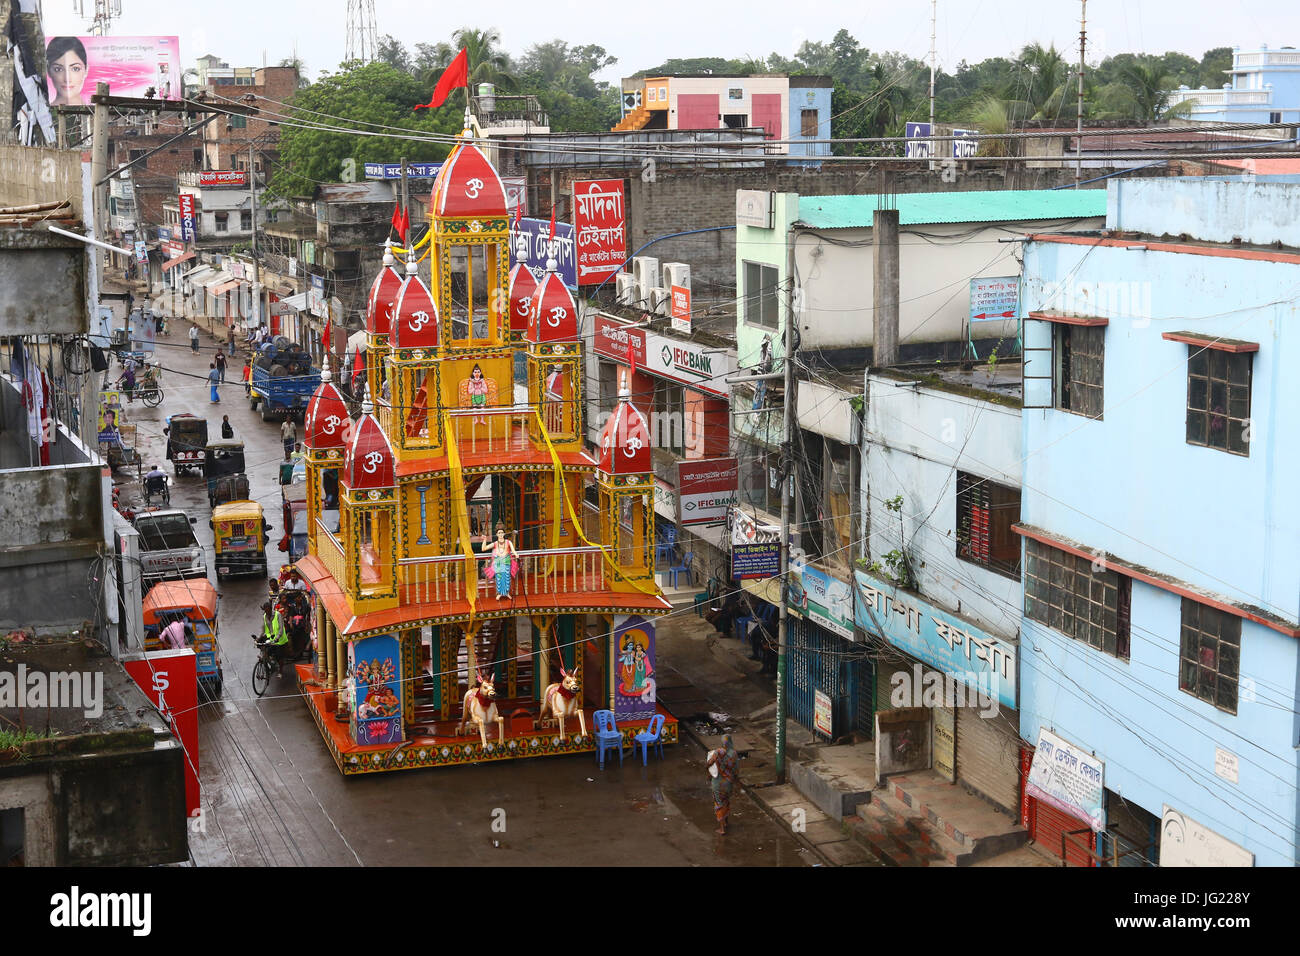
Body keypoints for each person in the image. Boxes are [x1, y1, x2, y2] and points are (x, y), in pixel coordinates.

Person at [706, 734, 740, 835]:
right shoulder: (734, 754)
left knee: (719, 804)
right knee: (726, 801)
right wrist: (736, 781)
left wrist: (707, 768)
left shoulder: (718, 752)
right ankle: (726, 822)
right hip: (729, 783)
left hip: (718, 783)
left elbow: (709, 763)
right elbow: (736, 770)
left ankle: (722, 829)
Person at [46, 37, 89, 107]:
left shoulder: (97, 113)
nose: (67, 79)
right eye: (58, 69)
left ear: (86, 70)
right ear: (48, 71)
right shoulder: (42, 115)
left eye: (75, 69)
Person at [481, 523, 517, 600]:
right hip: (498, 564)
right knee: (499, 578)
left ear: (504, 533)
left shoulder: (508, 542)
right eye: (499, 533)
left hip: (507, 562)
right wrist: (484, 540)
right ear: (497, 534)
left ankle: (507, 593)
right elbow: (483, 549)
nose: (500, 534)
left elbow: (513, 550)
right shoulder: (495, 543)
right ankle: (500, 593)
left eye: (502, 532)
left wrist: (516, 554)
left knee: (507, 578)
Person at [258, 601, 290, 676]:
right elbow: (263, 629)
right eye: (265, 611)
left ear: (271, 609)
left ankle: (280, 671)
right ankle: (269, 667)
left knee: (279, 657)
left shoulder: (278, 615)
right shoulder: (265, 616)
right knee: (265, 652)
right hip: (271, 639)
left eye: (268, 610)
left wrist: (276, 638)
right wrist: (259, 637)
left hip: (280, 640)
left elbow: (281, 629)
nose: (266, 612)